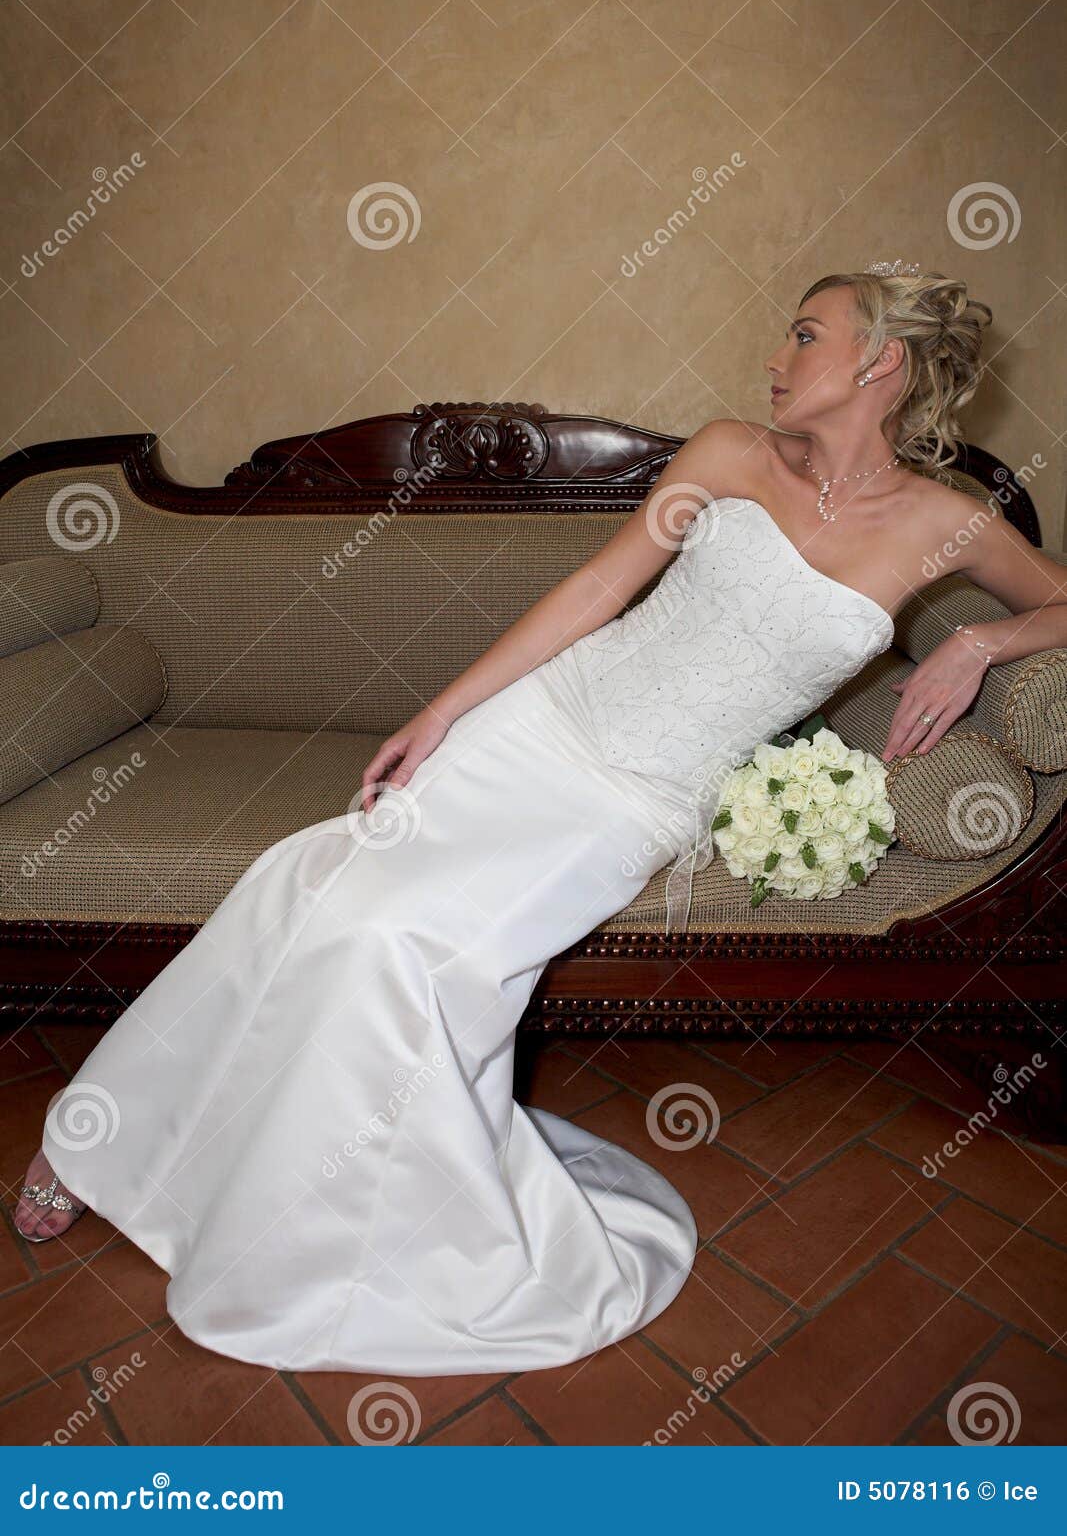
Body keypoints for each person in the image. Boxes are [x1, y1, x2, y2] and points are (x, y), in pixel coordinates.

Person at [15, 269, 1067, 1375]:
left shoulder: (944, 528)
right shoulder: (724, 452)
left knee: (395, 945)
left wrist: (978, 642)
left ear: (876, 361)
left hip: (632, 798)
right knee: (306, 881)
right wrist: (437, 715)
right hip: (536, 727)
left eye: (802, 334)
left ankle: (314, 1214)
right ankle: (100, 1141)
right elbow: (593, 595)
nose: (773, 356)